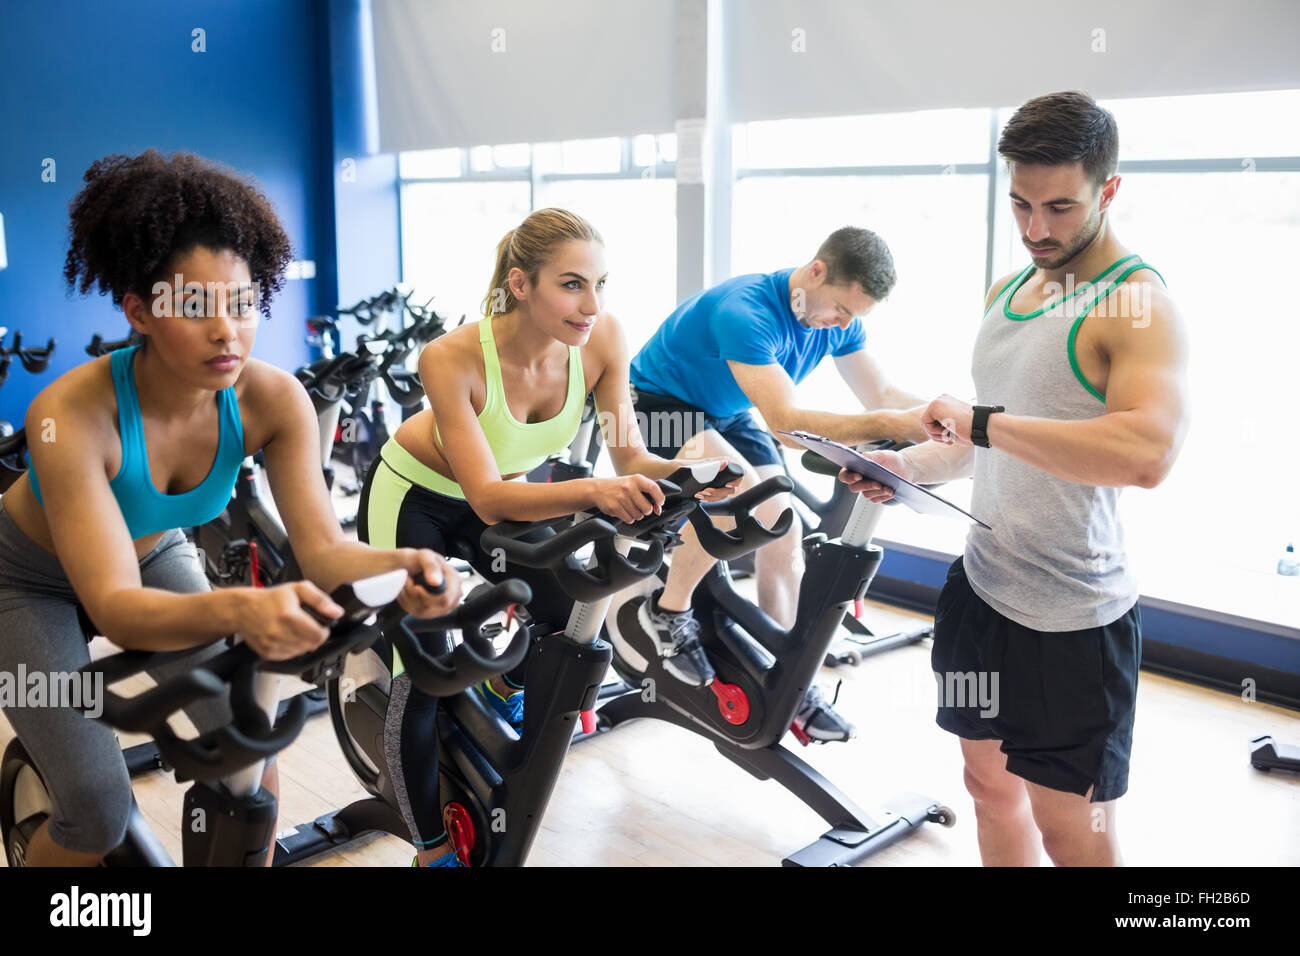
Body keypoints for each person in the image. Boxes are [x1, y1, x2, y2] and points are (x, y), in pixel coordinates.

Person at [0, 150, 459, 867]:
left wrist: (405, 565)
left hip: (153, 552)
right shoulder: (70, 414)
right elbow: (117, 609)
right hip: (24, 579)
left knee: (252, 755)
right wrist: (245, 611)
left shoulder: (273, 400)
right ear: (138, 311)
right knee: (96, 808)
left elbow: (324, 550)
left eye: (242, 304)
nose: (228, 331)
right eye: (195, 307)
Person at [841, 91, 1190, 866]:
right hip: (982, 600)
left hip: (1072, 626)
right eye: (1021, 205)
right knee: (986, 787)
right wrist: (908, 466)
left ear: (1109, 190)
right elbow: (987, 443)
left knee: (1073, 830)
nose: (1037, 229)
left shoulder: (1138, 305)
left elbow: (1148, 455)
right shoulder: (1010, 291)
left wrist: (981, 422)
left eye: (1061, 207)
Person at [357, 207, 739, 866]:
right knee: (419, 679)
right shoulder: (450, 357)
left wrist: (691, 476)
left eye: (599, 285)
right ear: (522, 284)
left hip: (508, 496)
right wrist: (592, 491)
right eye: (571, 285)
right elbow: (487, 495)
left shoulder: (603, 340)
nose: (590, 305)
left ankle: (501, 689)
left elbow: (630, 459)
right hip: (416, 499)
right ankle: (430, 846)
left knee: (565, 614)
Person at [627, 227, 928, 737]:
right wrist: (891, 426)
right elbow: (788, 426)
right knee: (735, 489)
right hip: (659, 402)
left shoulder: (837, 322)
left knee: (783, 526)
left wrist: (944, 420)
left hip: (729, 409)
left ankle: (787, 676)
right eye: (841, 308)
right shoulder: (745, 311)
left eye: (855, 316)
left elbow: (881, 392)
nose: (843, 323)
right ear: (816, 272)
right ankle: (667, 611)